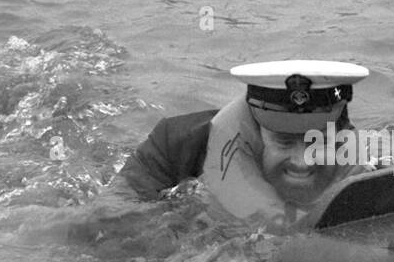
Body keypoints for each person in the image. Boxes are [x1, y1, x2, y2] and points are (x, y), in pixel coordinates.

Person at [101, 60, 372, 229]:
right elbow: (102, 225)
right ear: (253, 134)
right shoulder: (174, 145)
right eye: (284, 142)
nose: (303, 161)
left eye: (318, 142)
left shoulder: (369, 173)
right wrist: (183, 228)